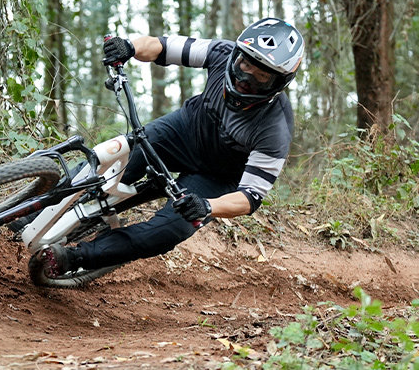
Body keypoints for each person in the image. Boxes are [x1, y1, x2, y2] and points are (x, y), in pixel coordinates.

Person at [38, 17, 305, 277]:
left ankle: (75, 258)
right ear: (237, 55)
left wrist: (207, 206)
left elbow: (249, 197)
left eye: (261, 77)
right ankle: (37, 211)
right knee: (120, 158)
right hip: (184, 132)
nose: (244, 79)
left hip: (216, 177)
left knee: (170, 230)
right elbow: (161, 46)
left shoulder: (275, 127)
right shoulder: (221, 53)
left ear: (279, 83)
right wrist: (129, 47)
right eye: (245, 64)